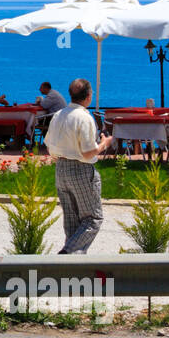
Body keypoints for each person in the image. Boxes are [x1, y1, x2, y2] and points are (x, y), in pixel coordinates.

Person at [44, 78, 114, 254]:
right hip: (81, 170)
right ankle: (66, 254)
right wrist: (104, 144)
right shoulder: (84, 117)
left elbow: (48, 146)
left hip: (60, 168)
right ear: (89, 96)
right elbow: (88, 152)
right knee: (92, 219)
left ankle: (72, 264)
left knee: (71, 221)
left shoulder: (58, 115)